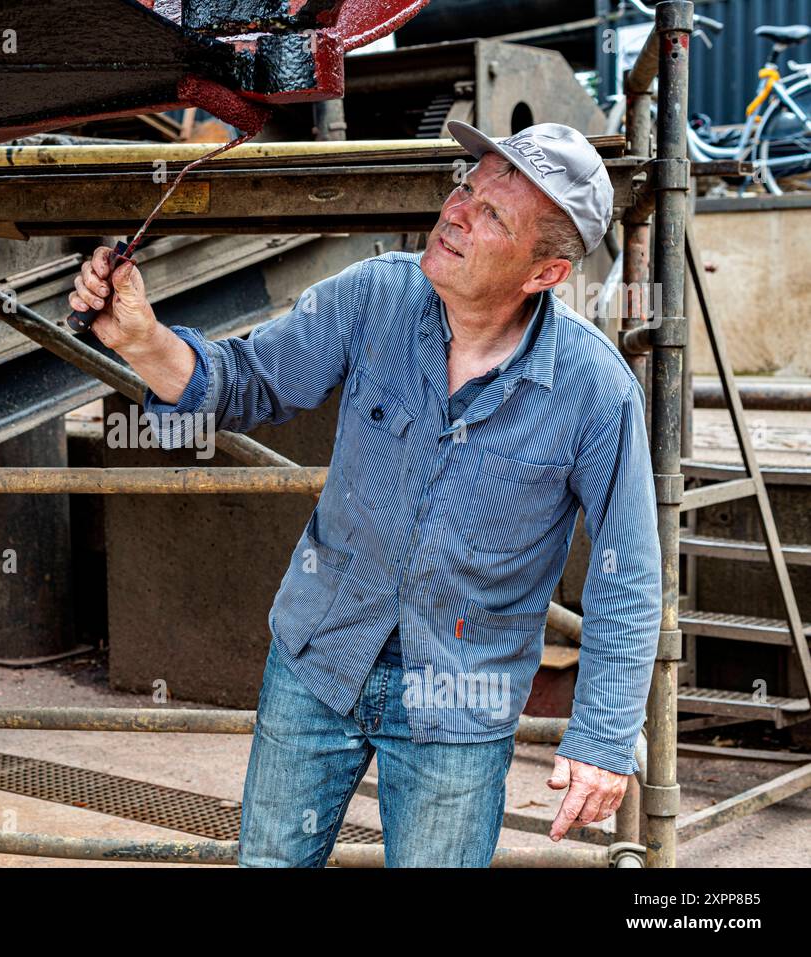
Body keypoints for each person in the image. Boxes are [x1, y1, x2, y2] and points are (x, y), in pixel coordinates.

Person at [68, 121, 662, 867]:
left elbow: (627, 573)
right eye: (466, 189)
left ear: (543, 273)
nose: (456, 214)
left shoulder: (595, 391)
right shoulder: (374, 297)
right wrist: (141, 339)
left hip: (460, 697)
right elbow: (245, 382)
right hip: (319, 657)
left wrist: (603, 737)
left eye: (492, 216)